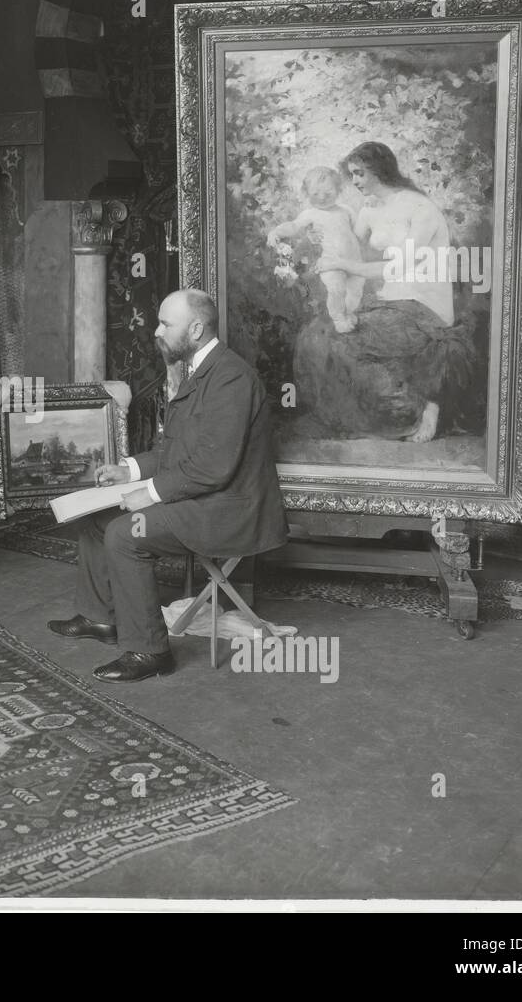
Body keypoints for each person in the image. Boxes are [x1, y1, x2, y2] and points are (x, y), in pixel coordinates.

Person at [47, 290, 287, 682]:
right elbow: (176, 450)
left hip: (227, 509)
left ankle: (149, 651)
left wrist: (151, 493)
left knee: (125, 535)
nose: (156, 331)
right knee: (97, 517)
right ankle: (100, 617)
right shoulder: (199, 370)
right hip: (203, 497)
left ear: (195, 328)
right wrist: (129, 470)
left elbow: (213, 469)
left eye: (165, 324)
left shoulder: (231, 379)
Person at [312, 141, 475, 443]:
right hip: (390, 300)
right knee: (320, 333)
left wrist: (343, 263)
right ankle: (384, 414)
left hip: (424, 305)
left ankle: (424, 409)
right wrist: (319, 238)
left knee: (360, 337)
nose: (356, 181)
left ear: (378, 169)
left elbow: (397, 267)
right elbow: (350, 245)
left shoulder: (420, 207)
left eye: (360, 173)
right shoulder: (370, 207)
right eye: (353, 175)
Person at [267, 166, 364, 333]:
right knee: (336, 290)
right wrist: (275, 231)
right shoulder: (310, 214)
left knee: (355, 293)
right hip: (330, 263)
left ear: (338, 190)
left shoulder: (346, 210)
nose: (322, 198)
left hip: (354, 261)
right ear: (307, 194)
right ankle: (339, 318)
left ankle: (348, 313)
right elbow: (293, 226)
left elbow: (360, 231)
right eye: (315, 194)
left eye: (328, 193)